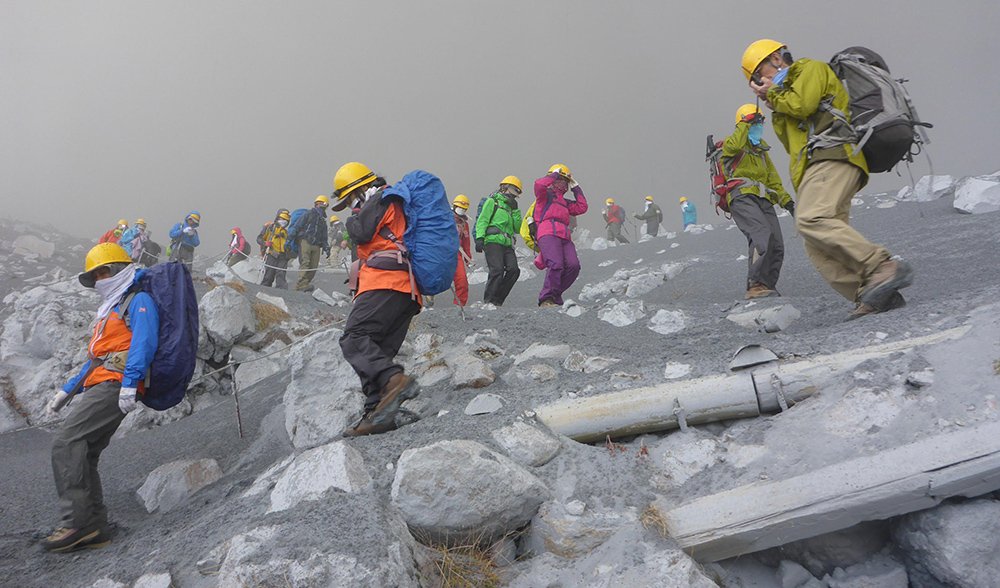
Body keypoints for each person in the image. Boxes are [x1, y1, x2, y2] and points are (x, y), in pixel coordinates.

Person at [743, 39, 913, 319]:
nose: (760, 81)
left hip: (833, 156)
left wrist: (774, 93)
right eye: (755, 79)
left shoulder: (810, 69)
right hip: (818, 166)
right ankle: (874, 294)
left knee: (812, 219)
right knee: (817, 245)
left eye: (759, 73)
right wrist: (775, 100)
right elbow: (793, 142)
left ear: (776, 58)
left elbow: (803, 104)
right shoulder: (783, 96)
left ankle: (881, 266)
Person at [41, 243, 158, 552]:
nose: (98, 280)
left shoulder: (138, 300)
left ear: (119, 270)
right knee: (85, 450)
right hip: (102, 382)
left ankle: (76, 523)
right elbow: (97, 359)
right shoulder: (111, 307)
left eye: (103, 272)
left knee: (67, 442)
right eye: (94, 276)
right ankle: (94, 527)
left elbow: (143, 343)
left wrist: (130, 383)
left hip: (116, 384)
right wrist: (67, 391)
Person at [331, 162, 420, 436]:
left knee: (354, 338)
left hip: (385, 281)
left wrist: (353, 217)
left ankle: (394, 380)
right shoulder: (389, 201)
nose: (350, 206)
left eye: (349, 200)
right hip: (405, 290)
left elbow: (361, 232)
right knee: (378, 350)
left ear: (358, 189)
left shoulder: (380, 199)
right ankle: (377, 414)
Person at [723, 103, 795, 299]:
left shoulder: (761, 151)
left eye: (760, 122)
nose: (759, 125)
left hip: (763, 199)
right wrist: (745, 123)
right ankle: (755, 284)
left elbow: (773, 181)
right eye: (755, 122)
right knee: (761, 234)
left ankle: (766, 285)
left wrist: (788, 202)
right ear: (743, 124)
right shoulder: (732, 144)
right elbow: (734, 145)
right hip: (742, 196)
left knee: (777, 244)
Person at [533, 164, 588, 307]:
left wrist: (576, 188)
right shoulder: (545, 196)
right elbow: (539, 184)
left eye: (565, 181)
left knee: (573, 266)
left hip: (564, 235)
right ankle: (546, 298)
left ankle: (555, 295)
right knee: (556, 264)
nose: (562, 183)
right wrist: (554, 175)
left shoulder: (565, 202)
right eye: (560, 179)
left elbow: (582, 207)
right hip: (547, 232)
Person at [475, 179, 522, 307]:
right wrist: (480, 238)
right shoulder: (493, 201)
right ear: (506, 187)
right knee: (497, 270)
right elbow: (483, 220)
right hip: (492, 241)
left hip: (507, 244)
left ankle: (497, 300)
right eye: (515, 190)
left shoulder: (512, 208)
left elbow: (518, 228)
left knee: (514, 270)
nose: (515, 194)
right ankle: (489, 300)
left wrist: (515, 210)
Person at [294, 195, 331, 292]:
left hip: (317, 245)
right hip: (305, 241)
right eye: (321, 203)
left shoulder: (322, 220)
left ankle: (305, 283)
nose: (322, 206)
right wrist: (290, 240)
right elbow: (297, 226)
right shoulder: (308, 214)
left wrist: (326, 247)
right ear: (316, 204)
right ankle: (300, 284)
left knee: (313, 266)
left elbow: (324, 236)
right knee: (305, 262)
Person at [260, 210, 292, 289]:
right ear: (277, 218)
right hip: (272, 254)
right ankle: (264, 289)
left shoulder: (286, 232)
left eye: (285, 220)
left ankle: (281, 291)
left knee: (281, 276)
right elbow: (259, 238)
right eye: (281, 219)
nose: (283, 222)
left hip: (283, 256)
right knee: (269, 275)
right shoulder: (270, 229)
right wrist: (265, 243)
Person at [451, 195, 473, 307]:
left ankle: (459, 306)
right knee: (433, 277)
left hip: (457, 254)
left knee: (462, 281)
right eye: (460, 207)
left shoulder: (464, 224)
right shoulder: (443, 219)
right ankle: (428, 297)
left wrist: (468, 259)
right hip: (442, 253)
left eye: (464, 209)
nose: (461, 210)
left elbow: (466, 243)